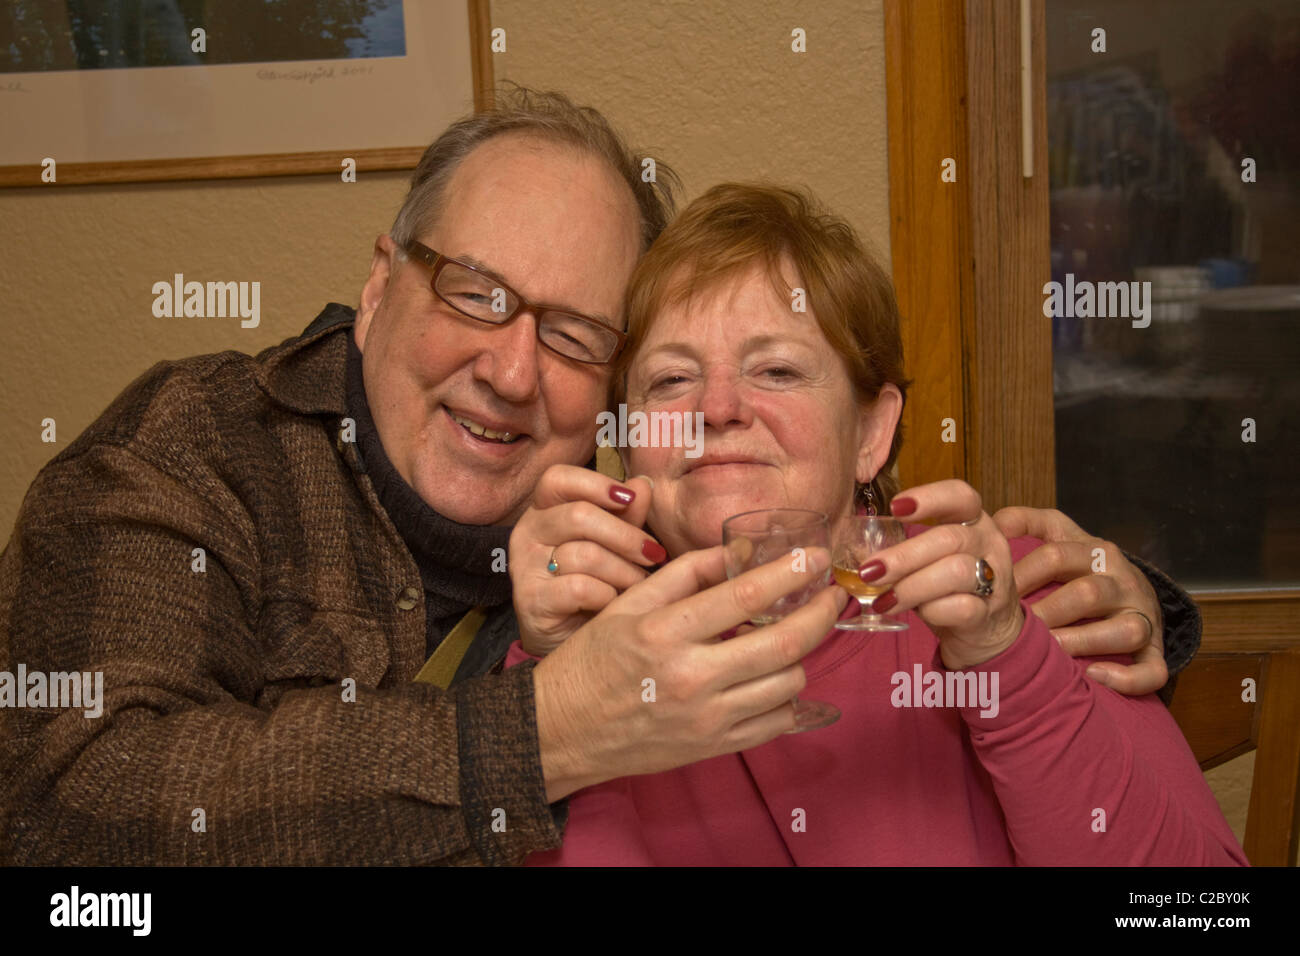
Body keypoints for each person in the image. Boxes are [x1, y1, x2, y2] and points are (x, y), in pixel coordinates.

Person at [0, 90, 1196, 866]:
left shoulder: (636, 529)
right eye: (474, 292)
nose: (511, 369)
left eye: (575, 334)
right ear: (376, 289)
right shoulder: (201, 446)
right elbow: (63, 814)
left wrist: (1107, 595)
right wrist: (546, 727)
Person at [505, 182, 1246, 865]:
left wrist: (1009, 665)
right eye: (671, 379)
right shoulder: (580, 648)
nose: (719, 408)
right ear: (627, 437)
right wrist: (559, 682)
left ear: (871, 432)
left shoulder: (1025, 591)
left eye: (778, 371)